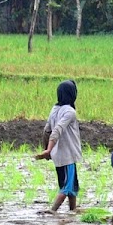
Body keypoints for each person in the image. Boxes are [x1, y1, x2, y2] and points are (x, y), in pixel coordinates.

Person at [35, 80, 83, 213]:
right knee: (66, 187)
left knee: (71, 185)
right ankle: (53, 210)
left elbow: (47, 130)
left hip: (59, 155)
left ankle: (73, 210)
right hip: (68, 155)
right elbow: (56, 130)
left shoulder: (55, 109)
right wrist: (48, 150)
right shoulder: (70, 112)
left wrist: (47, 149)